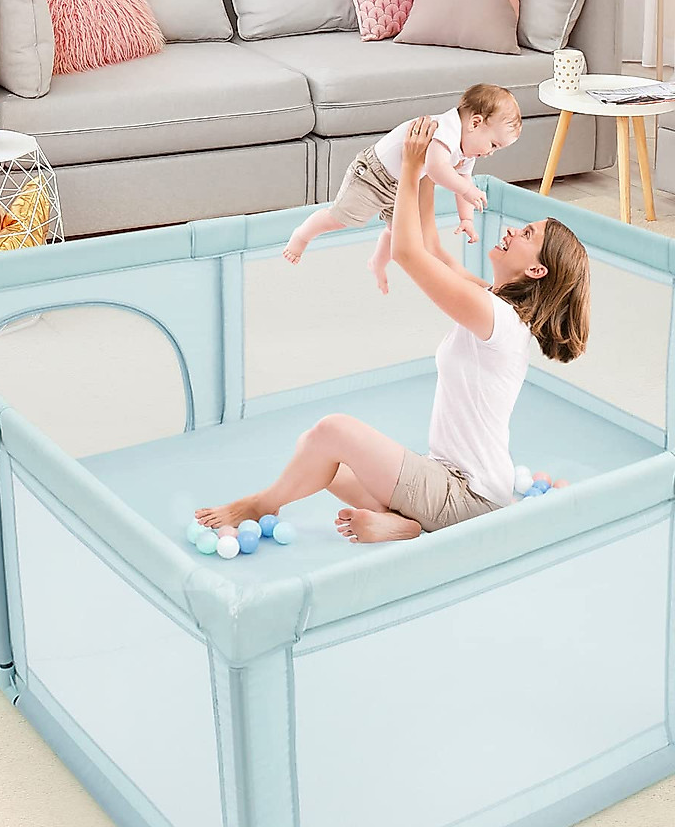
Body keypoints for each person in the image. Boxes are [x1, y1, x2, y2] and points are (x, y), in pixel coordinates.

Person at [196, 115, 591, 543]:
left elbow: (406, 252)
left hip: (471, 496)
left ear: (536, 270)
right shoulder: (490, 304)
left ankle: (262, 504)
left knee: (332, 432)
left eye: (527, 233)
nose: (513, 230)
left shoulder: (494, 317)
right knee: (319, 460)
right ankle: (402, 523)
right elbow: (428, 246)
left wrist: (409, 165)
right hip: (446, 478)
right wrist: (428, 167)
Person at [282, 83, 523, 293]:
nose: (490, 153)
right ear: (475, 122)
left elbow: (464, 179)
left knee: (398, 232)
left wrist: (466, 219)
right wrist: (467, 191)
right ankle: (302, 235)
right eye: (493, 144)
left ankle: (378, 261)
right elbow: (437, 168)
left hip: (402, 185)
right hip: (374, 176)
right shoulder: (445, 129)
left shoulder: (467, 149)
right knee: (341, 218)